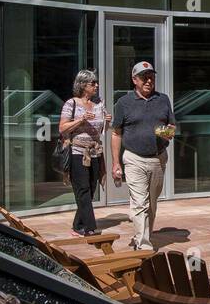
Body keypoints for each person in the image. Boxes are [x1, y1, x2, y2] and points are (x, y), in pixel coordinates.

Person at [110, 61, 175, 251]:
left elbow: (171, 129)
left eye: (151, 76)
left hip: (158, 157)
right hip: (133, 158)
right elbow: (116, 133)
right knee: (139, 203)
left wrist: (162, 132)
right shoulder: (124, 102)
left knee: (152, 203)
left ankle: (144, 234)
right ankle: (143, 244)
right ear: (134, 80)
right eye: (144, 77)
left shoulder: (163, 99)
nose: (149, 80)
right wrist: (116, 163)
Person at [59, 70, 107, 237]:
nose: (96, 86)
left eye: (96, 83)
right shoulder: (71, 104)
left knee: (92, 187)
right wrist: (80, 120)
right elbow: (62, 127)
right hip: (77, 151)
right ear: (82, 85)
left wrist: (106, 121)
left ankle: (77, 224)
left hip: (95, 151)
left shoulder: (99, 103)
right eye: (92, 83)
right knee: (83, 188)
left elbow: (101, 130)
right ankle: (89, 227)